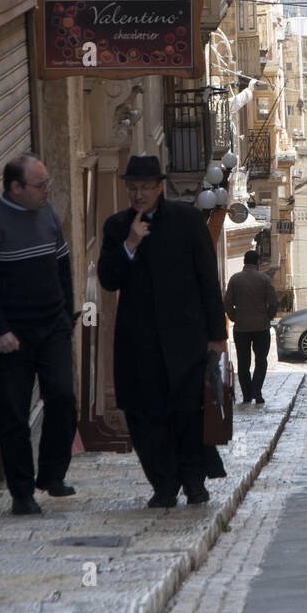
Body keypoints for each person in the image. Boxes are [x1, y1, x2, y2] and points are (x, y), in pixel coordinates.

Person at [97, 155, 226, 508]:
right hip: (139, 346)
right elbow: (108, 279)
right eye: (132, 188)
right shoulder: (117, 227)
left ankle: (194, 483)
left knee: (188, 415)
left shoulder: (186, 220)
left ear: (158, 187)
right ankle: (163, 485)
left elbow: (207, 279)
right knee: (147, 418)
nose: (138, 195)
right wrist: (130, 246)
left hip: (186, 341)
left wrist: (218, 334)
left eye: (145, 187)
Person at [0, 153, 78, 516]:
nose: (47, 190)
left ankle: (52, 475)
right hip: (10, 335)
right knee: (12, 414)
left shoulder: (47, 212)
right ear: (15, 188)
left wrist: (66, 316)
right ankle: (22, 493)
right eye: (40, 185)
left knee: (62, 398)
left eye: (48, 183)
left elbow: (62, 266)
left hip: (51, 325)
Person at [224, 250, 278, 406]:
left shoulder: (235, 279)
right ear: (258, 262)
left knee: (243, 361)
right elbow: (273, 302)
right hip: (261, 326)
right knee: (261, 360)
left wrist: (234, 316)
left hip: (241, 327)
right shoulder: (264, 279)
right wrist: (268, 316)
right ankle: (257, 390)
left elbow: (227, 302)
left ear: (244, 261)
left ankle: (247, 394)